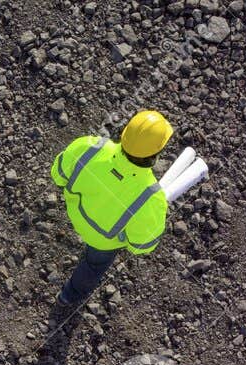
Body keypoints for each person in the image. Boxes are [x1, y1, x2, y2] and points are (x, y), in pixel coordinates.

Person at [49, 110, 172, 307]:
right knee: (93, 266)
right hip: (102, 243)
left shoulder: (89, 147)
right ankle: (68, 296)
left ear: (125, 132)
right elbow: (141, 246)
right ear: (156, 153)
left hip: (75, 214)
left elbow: (58, 174)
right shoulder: (151, 198)